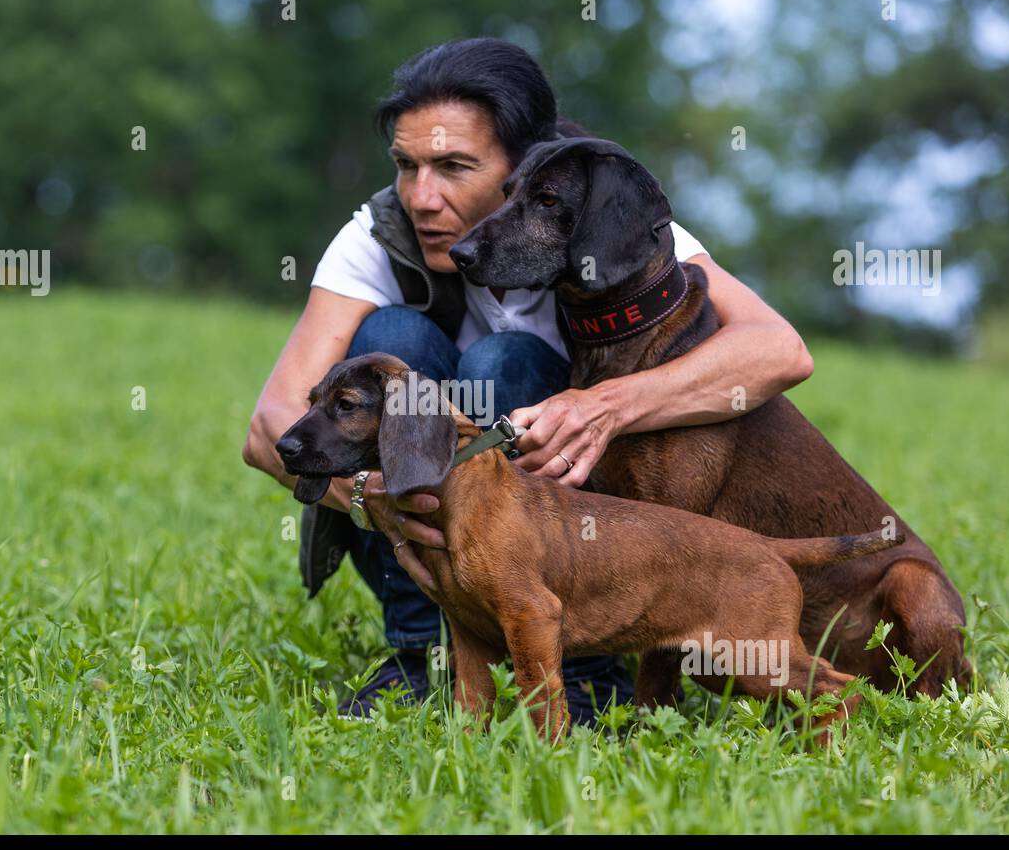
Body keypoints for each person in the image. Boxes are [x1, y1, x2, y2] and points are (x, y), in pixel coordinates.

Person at [243, 38, 814, 725]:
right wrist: (369, 495)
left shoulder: (609, 223)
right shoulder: (377, 235)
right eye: (406, 165)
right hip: (437, 513)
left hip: (561, 534)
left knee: (504, 363)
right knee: (389, 344)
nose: (423, 196)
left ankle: (584, 667)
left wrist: (607, 405)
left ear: (524, 163)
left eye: (454, 166)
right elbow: (269, 423)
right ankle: (423, 654)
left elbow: (779, 349)